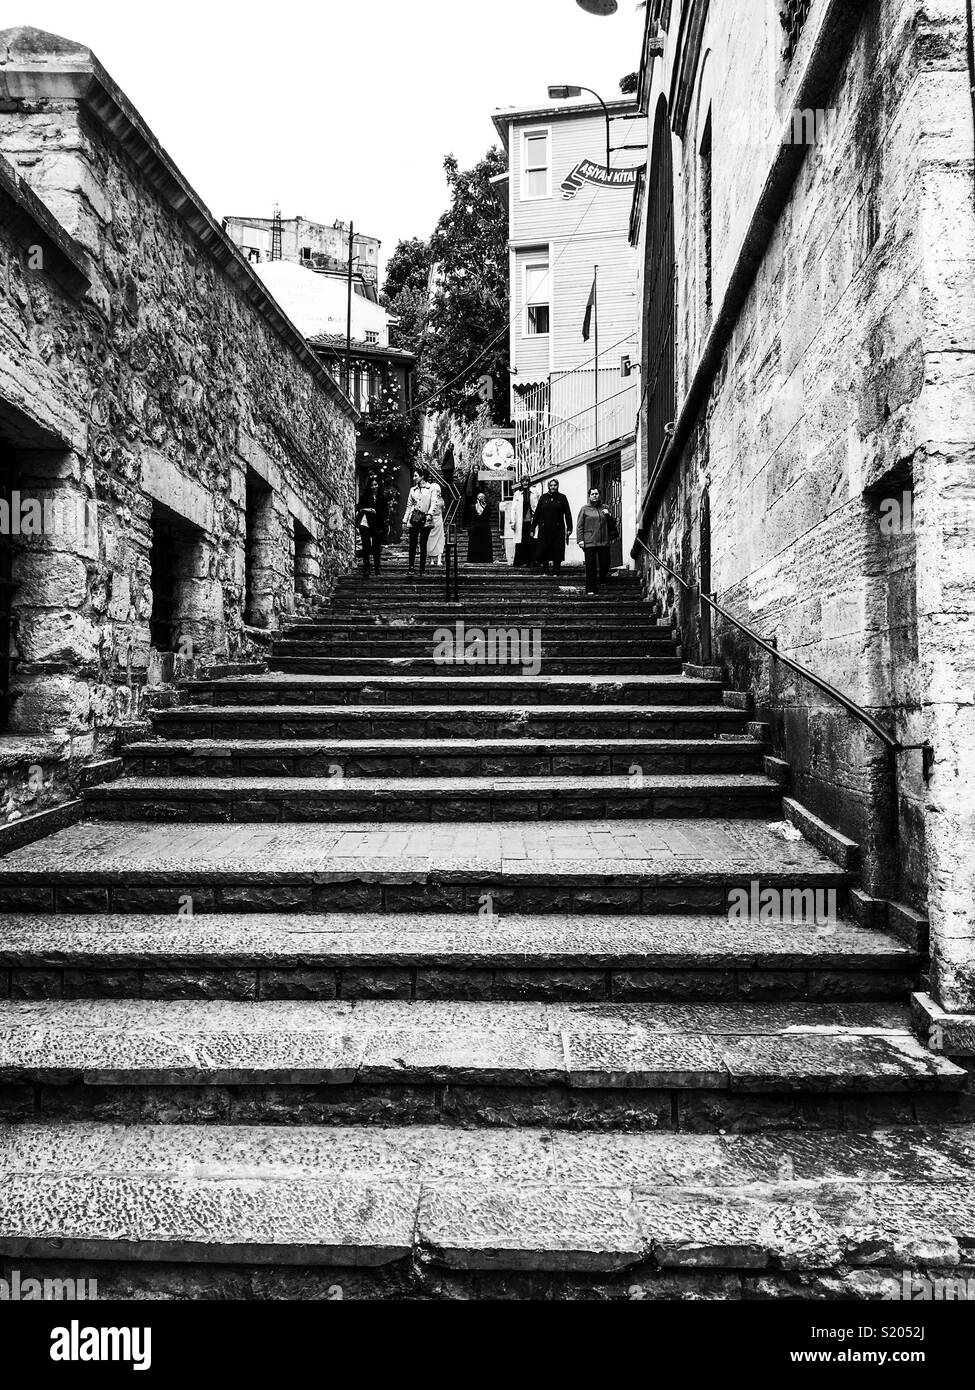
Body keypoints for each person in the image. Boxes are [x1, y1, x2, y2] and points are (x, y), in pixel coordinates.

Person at [576, 486, 620, 595]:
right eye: (592, 494)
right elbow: (579, 526)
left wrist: (608, 514)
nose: (594, 496)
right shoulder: (584, 509)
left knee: (606, 562)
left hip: (604, 540)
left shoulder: (605, 507)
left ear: (599, 495)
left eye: (596, 494)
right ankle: (591, 589)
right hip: (589, 541)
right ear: (589, 496)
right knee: (591, 566)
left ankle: (602, 578)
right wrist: (580, 540)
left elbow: (613, 522)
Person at [531, 479, 573, 575]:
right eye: (551, 485)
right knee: (544, 549)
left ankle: (556, 571)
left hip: (558, 529)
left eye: (555, 485)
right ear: (548, 486)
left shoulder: (562, 498)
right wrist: (532, 528)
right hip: (545, 529)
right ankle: (545, 571)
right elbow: (537, 514)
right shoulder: (543, 498)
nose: (553, 487)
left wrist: (569, 528)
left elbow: (568, 514)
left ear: (557, 486)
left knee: (557, 550)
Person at [356, 472, 388, 578]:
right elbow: (359, 509)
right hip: (365, 523)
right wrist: (367, 509)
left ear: (378, 485)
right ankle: (366, 568)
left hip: (377, 525)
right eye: (372, 485)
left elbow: (384, 512)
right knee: (366, 546)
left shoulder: (382, 498)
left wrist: (376, 511)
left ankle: (377, 568)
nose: (374, 487)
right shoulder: (364, 496)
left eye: (375, 485)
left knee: (376, 547)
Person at [405, 470, 436, 576]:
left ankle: (422, 568)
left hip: (425, 518)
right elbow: (409, 505)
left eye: (415, 476)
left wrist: (429, 514)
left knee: (423, 543)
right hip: (414, 518)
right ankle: (411, 567)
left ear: (422, 476)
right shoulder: (412, 490)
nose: (414, 478)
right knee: (412, 543)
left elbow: (433, 502)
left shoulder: (431, 488)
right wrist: (405, 519)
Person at [505, 482, 535, 568]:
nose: (525, 482)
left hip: (531, 521)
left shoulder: (533, 492)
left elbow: (536, 506)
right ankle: (519, 562)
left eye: (527, 480)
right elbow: (513, 509)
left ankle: (531, 561)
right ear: (521, 483)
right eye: (523, 481)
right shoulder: (517, 494)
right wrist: (513, 522)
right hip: (520, 521)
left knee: (531, 541)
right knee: (520, 542)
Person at [467, 491, 494, 563]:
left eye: (482, 497)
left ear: (484, 498)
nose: (480, 499)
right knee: (475, 545)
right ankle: (473, 559)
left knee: (485, 544)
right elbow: (471, 518)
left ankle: (486, 559)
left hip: (485, 527)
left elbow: (488, 516)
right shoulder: (472, 507)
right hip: (475, 528)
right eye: (479, 497)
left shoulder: (488, 507)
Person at [426, 479, 446, 566]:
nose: (437, 493)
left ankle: (439, 560)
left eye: (438, 491)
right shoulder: (429, 500)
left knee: (440, 539)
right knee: (430, 539)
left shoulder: (441, 499)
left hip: (439, 520)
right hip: (431, 520)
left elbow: (443, 509)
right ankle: (431, 560)